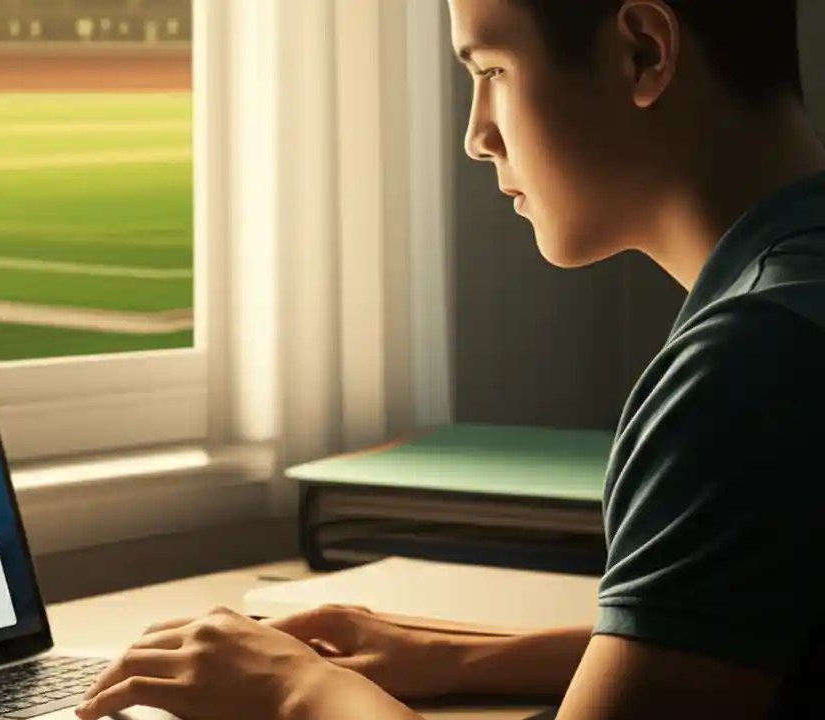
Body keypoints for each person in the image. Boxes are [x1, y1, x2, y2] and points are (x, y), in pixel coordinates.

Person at [76, 0, 825, 718]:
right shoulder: (794, 305)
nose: (476, 135)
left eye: (492, 70)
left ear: (643, 54)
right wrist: (457, 656)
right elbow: (746, 645)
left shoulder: (747, 367)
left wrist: (296, 691)